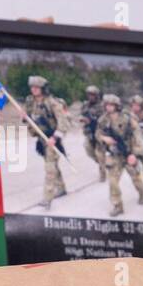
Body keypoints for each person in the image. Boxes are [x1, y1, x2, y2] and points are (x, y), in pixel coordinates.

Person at [20, 75, 69, 209]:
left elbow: (63, 123)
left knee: (49, 169)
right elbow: (29, 117)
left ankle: (47, 198)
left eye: (37, 87)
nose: (34, 90)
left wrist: (55, 138)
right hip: (41, 139)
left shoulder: (52, 102)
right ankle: (62, 188)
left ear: (43, 88)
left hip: (52, 140)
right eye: (32, 87)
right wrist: (24, 117)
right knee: (52, 165)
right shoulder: (30, 101)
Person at [94, 93, 143, 216]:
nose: (109, 107)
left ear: (117, 106)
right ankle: (117, 205)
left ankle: (142, 193)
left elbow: (138, 135)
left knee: (136, 179)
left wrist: (135, 154)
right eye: (107, 105)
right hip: (114, 154)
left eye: (112, 105)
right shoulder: (103, 120)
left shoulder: (127, 118)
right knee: (112, 181)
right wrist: (104, 138)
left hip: (129, 153)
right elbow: (97, 133)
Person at [78, 85, 107, 182]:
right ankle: (102, 163)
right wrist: (82, 119)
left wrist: (91, 120)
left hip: (100, 132)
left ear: (97, 95)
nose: (90, 97)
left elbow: (104, 120)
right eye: (89, 95)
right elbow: (81, 114)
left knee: (100, 153)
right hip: (89, 133)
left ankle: (102, 173)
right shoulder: (85, 105)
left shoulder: (102, 106)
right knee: (88, 150)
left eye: (92, 95)